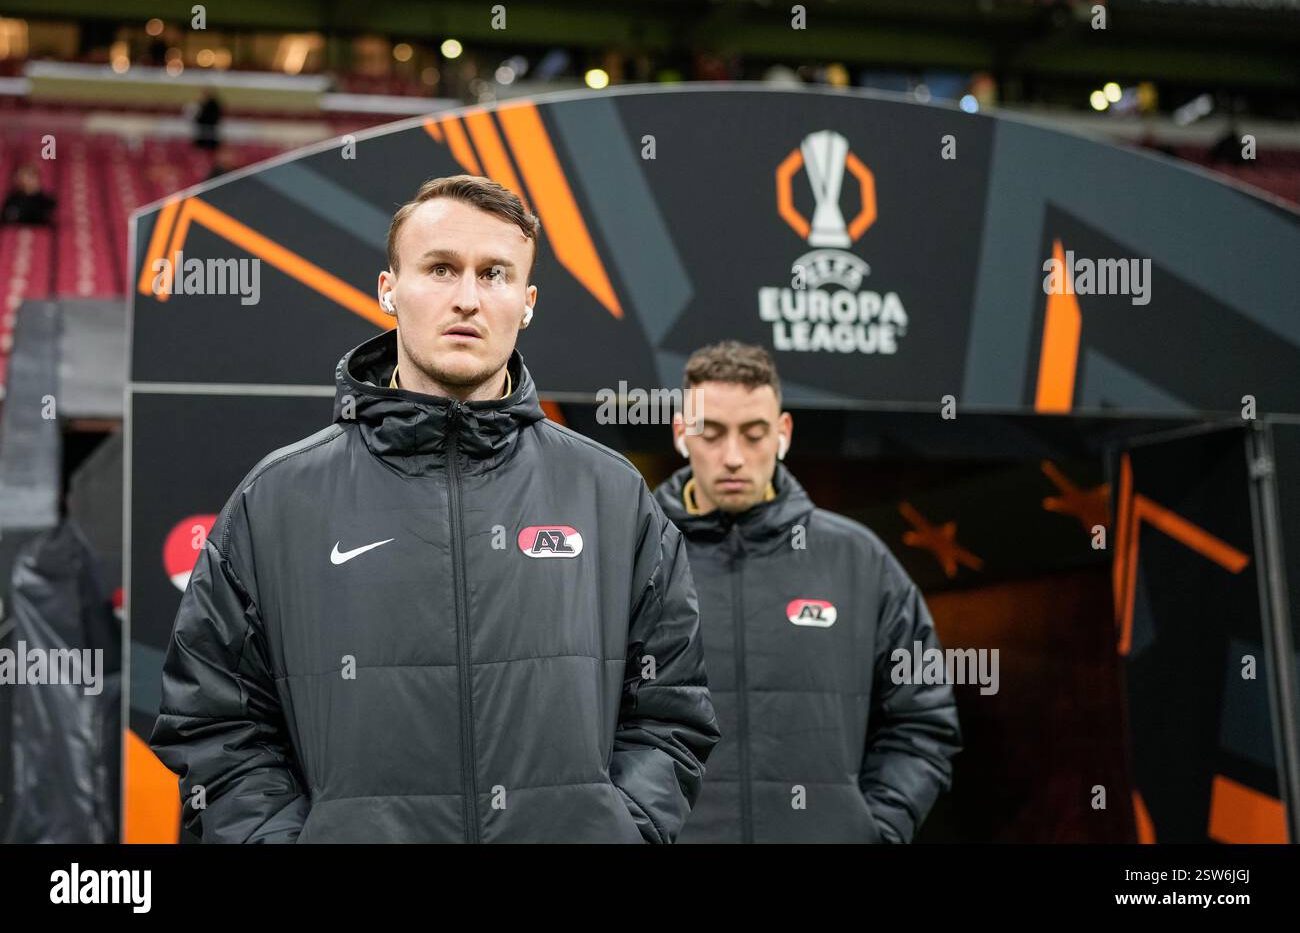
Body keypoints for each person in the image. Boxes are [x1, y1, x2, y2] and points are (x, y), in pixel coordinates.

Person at [149, 175, 719, 843]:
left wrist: (616, 828)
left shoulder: (612, 496)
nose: (468, 299)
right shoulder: (276, 499)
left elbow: (670, 710)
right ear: (389, 289)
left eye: (495, 274)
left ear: (526, 302)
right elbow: (214, 724)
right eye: (441, 269)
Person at [655, 341, 961, 842]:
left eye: (753, 434)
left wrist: (873, 830)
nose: (733, 457)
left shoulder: (858, 559)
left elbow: (923, 718)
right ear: (682, 433)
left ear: (783, 434)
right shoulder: (636, 554)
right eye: (711, 433)